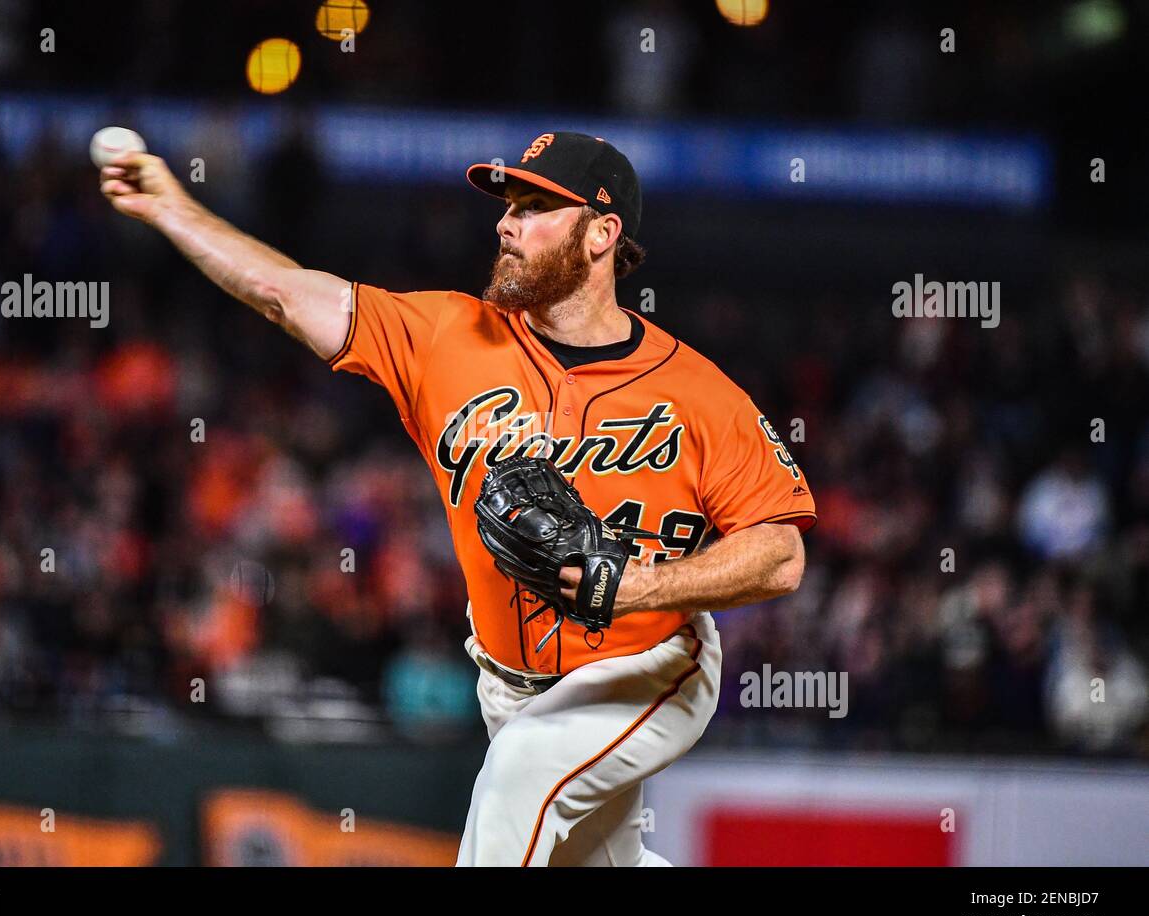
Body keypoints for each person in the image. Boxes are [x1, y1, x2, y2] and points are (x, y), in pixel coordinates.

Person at [100, 130, 816, 866]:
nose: (506, 224)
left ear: (603, 234)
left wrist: (646, 586)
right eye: (508, 205)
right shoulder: (446, 335)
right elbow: (285, 294)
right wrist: (173, 210)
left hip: (651, 664)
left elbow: (782, 554)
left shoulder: (698, 392)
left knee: (517, 779)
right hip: (509, 682)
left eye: (537, 207)